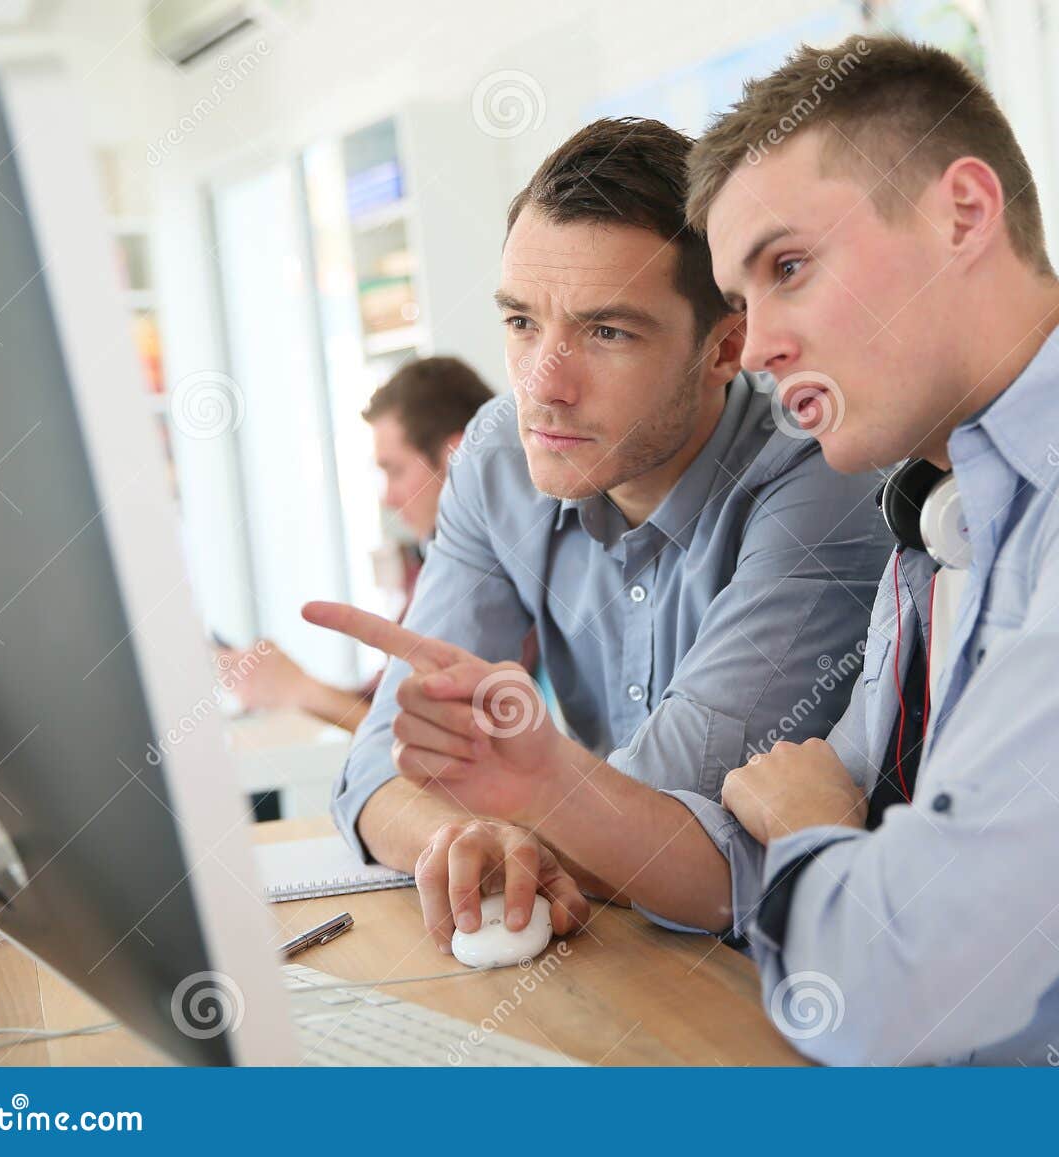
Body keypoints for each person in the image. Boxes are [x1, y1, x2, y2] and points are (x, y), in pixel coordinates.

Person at [358, 37, 1059, 1066]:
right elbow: (745, 858)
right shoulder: (949, 500)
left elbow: (893, 976)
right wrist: (552, 782)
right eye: (743, 296)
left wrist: (818, 830)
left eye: (790, 268)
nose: (762, 348)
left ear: (963, 212)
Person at [304, 116, 893, 936]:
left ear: (727, 349)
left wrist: (508, 831)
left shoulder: (823, 474)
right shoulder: (499, 454)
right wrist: (460, 839)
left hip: (771, 980)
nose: (544, 385)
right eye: (520, 323)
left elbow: (664, 818)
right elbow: (376, 774)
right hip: (622, 956)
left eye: (607, 331)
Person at [218, 356, 493, 733]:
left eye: (394, 470)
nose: (389, 498)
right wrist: (286, 685)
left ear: (456, 457)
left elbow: (439, 741)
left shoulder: (491, 579)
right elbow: (381, 704)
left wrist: (301, 690)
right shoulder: (434, 568)